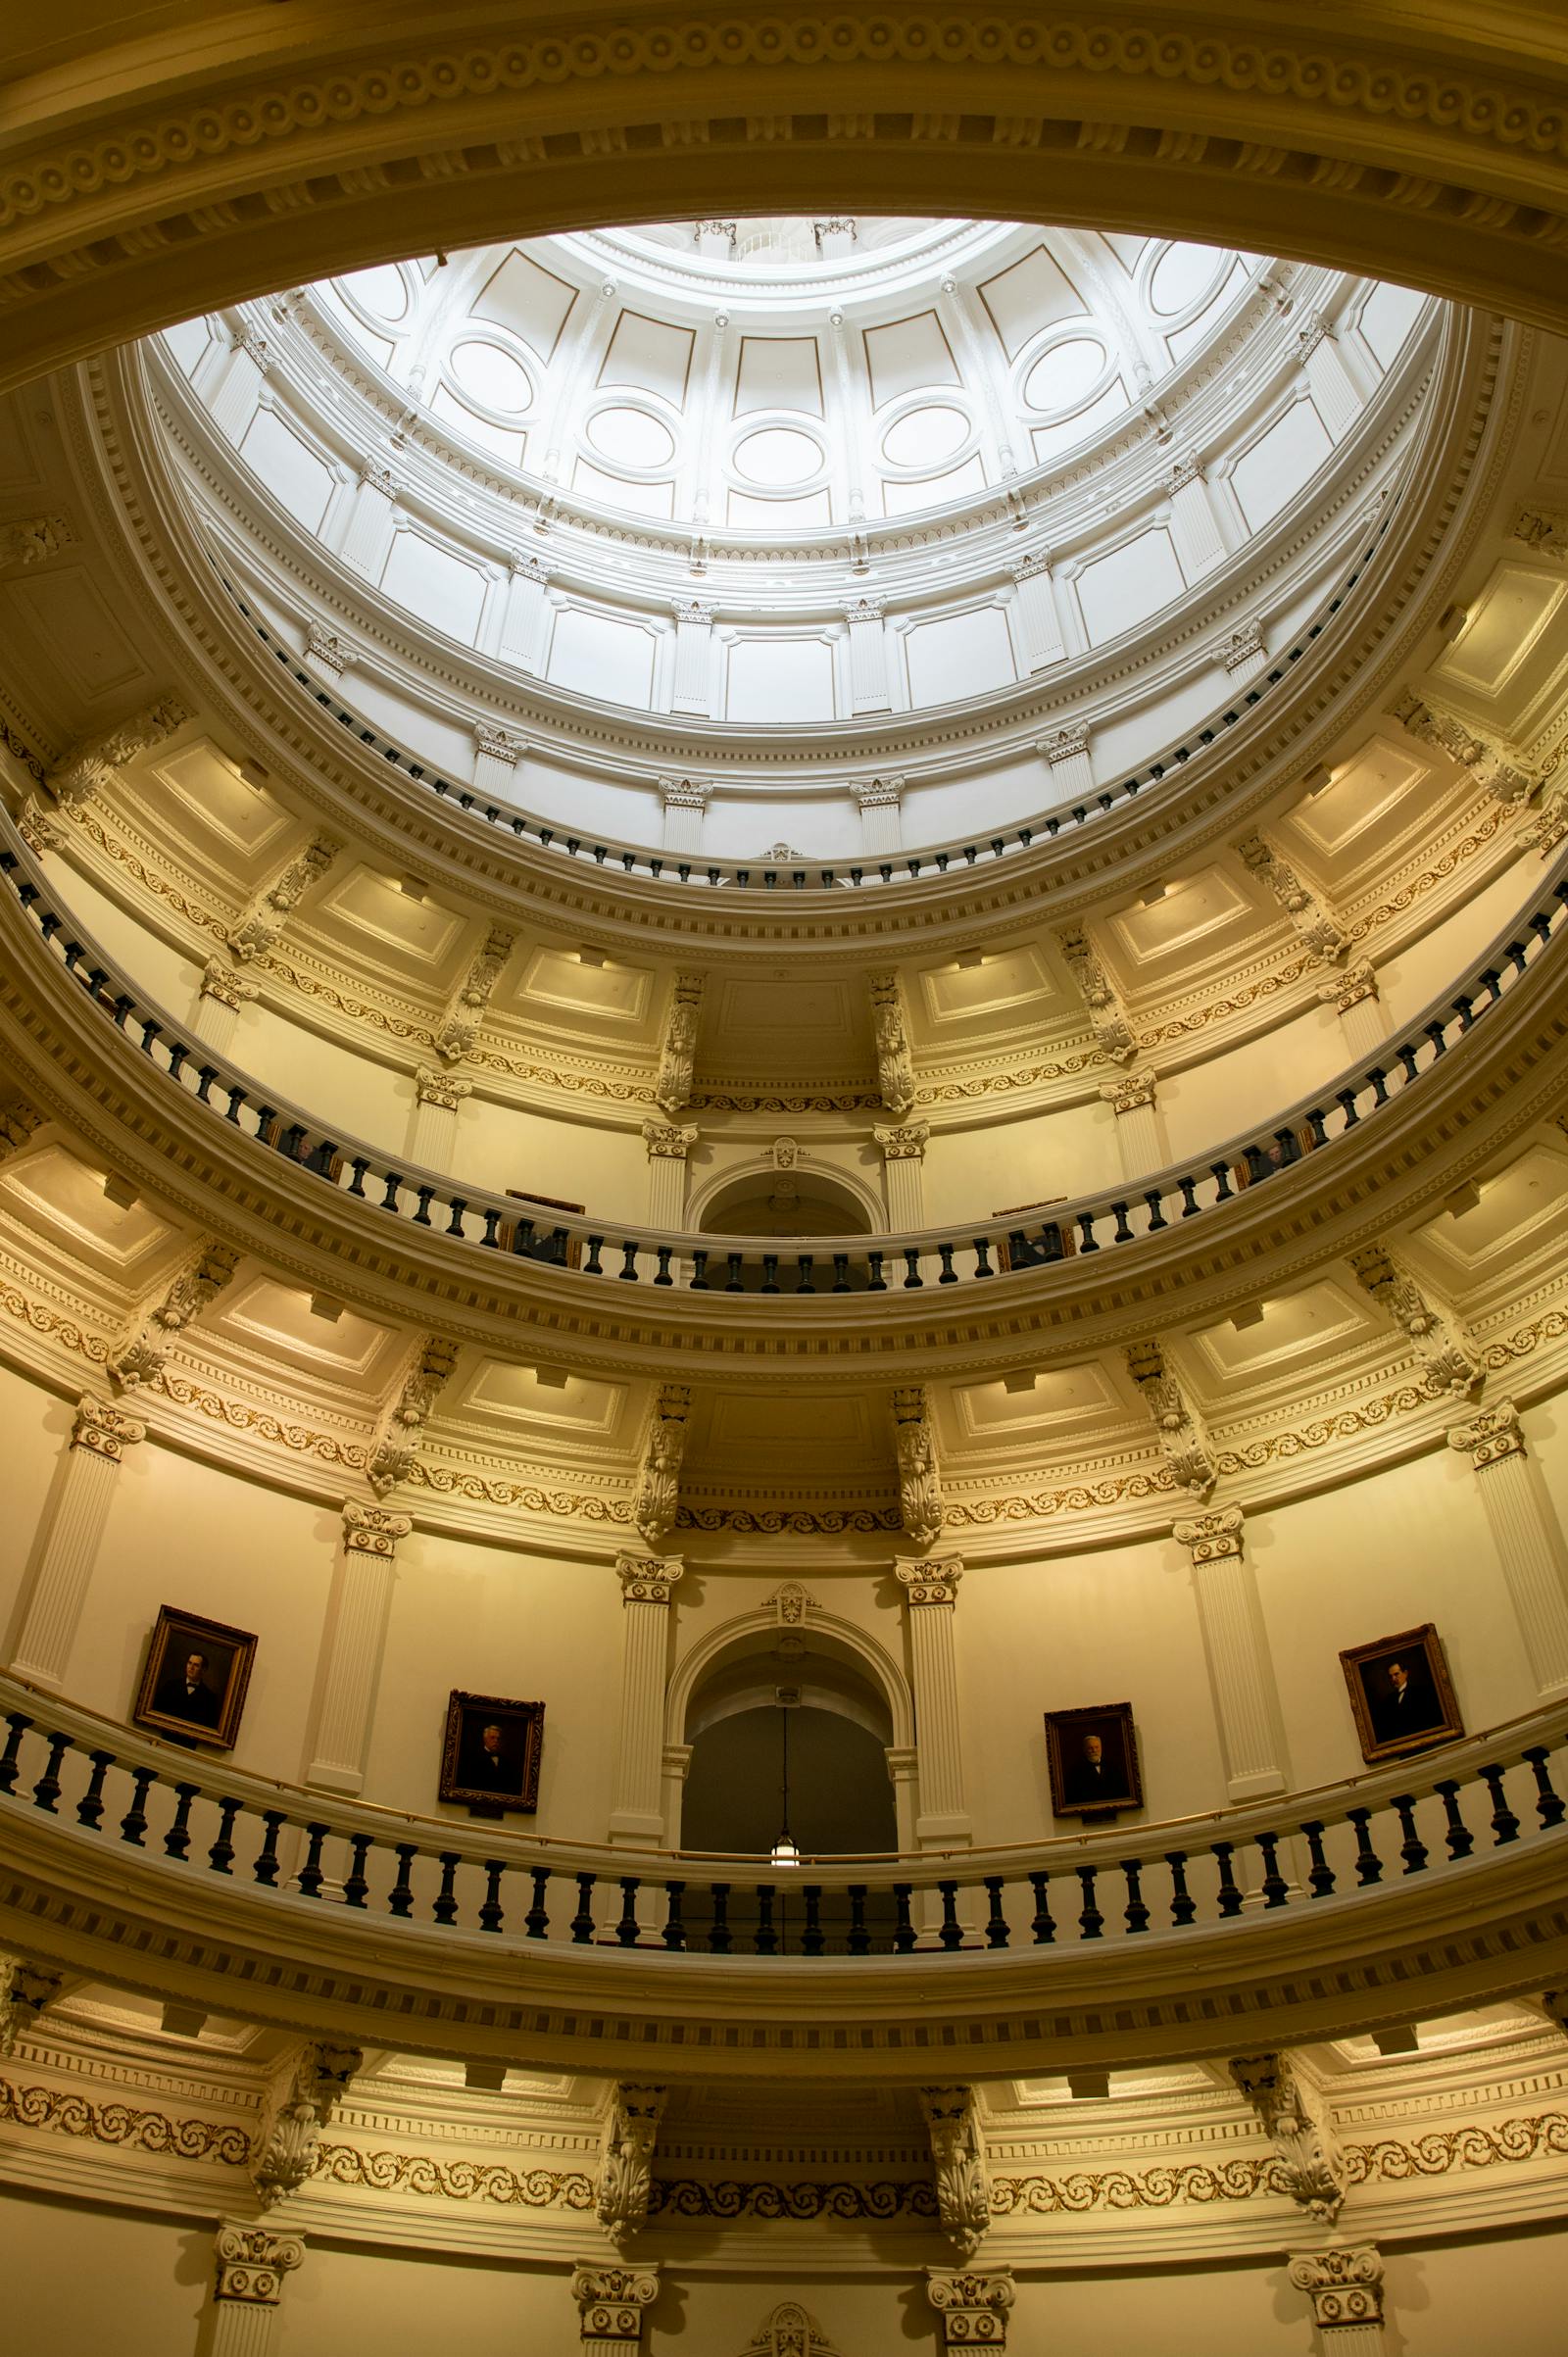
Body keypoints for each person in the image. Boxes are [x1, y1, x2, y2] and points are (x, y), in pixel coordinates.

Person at [1367, 1650, 1444, 1745]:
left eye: (1396, 1674)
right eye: (1390, 1676)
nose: (1393, 1679)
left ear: (1405, 1673)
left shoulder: (1420, 1693)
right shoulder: (1388, 1700)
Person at [152, 1644, 221, 1730]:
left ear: (203, 1670)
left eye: (196, 1665)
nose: (191, 1667)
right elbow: (156, 1711)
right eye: (189, 1663)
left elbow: (209, 1727)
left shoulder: (210, 1698)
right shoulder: (170, 1686)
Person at [458, 1716, 522, 1794]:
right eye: (492, 1737)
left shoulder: (506, 1761)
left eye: (498, 1738)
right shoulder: (473, 1758)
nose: (496, 1741)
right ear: (485, 1739)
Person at [1060, 1728, 1122, 1808]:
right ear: (1084, 1750)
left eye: (1097, 1747)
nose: (1094, 1750)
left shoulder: (1113, 1767)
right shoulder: (1076, 1771)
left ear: (1101, 1748)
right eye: (1090, 1748)